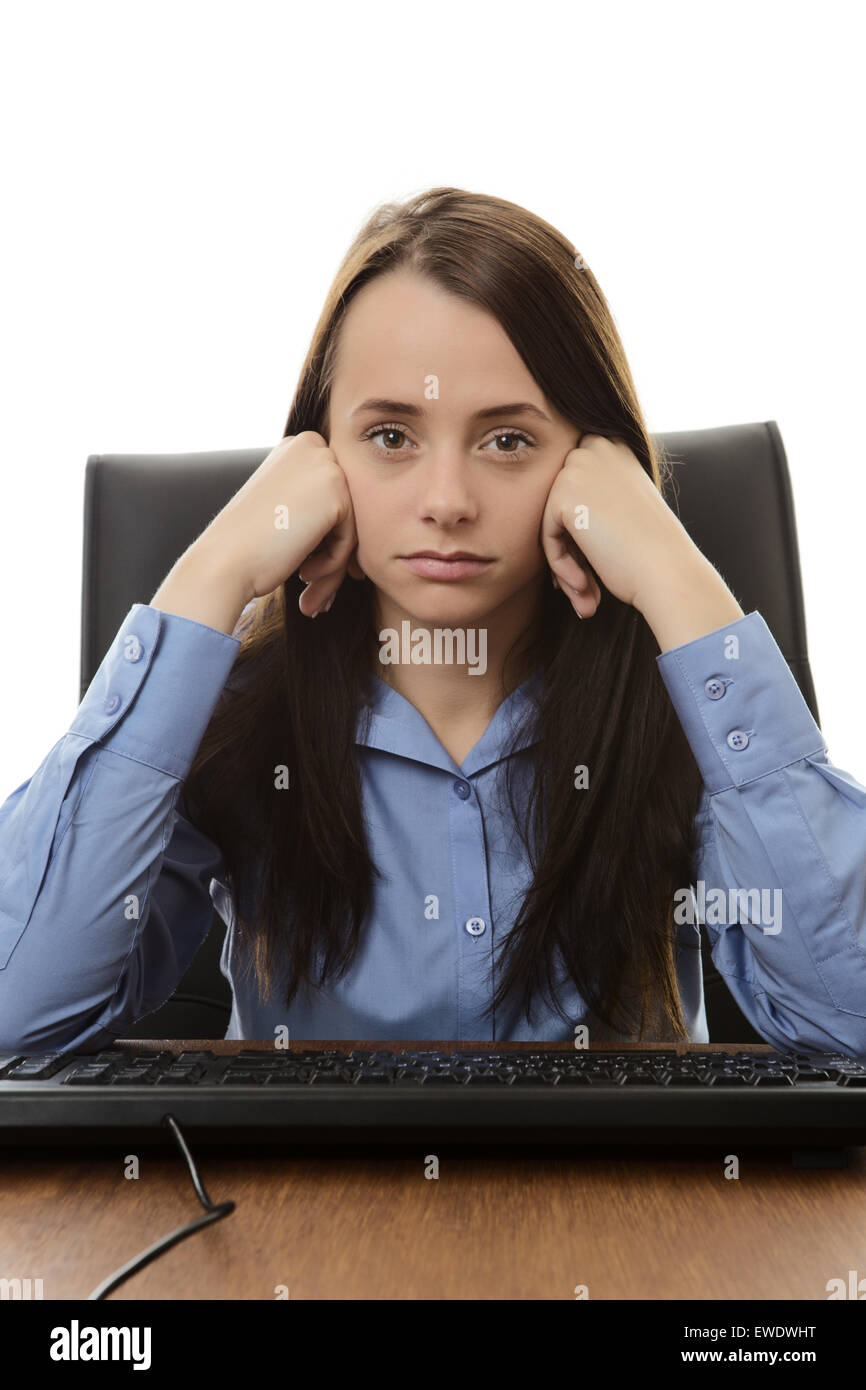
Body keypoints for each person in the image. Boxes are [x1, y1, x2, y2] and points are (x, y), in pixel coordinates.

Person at [2, 186, 865, 1057]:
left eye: (507, 441)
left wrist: (681, 581)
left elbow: (853, 1019)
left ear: (593, 465)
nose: (447, 502)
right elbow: (16, 1015)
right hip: (299, 1196)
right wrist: (216, 569)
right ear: (317, 456)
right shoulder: (240, 718)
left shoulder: (684, 713)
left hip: (618, 1196)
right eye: (390, 437)